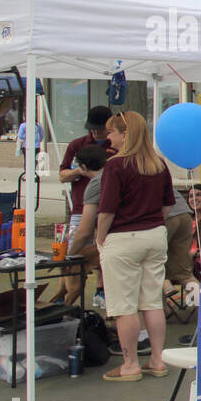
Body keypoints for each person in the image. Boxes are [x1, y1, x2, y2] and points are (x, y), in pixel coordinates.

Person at [95, 112, 176, 381]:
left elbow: (106, 209)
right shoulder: (158, 164)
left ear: (125, 134)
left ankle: (130, 364)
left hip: (123, 237)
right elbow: (167, 205)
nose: (109, 137)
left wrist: (100, 237)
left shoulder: (115, 166)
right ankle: (157, 359)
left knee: (124, 306)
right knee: (152, 301)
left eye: (112, 132)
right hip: (154, 233)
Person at [50, 106, 116, 302]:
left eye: (100, 128)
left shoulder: (116, 147)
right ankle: (65, 294)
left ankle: (101, 290)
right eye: (91, 128)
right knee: (74, 252)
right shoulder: (77, 145)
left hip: (108, 208)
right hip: (81, 206)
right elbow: (62, 175)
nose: (95, 132)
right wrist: (79, 171)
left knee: (105, 251)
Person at [60, 144, 108, 306]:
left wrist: (68, 257)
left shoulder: (94, 185)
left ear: (83, 167)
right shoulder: (114, 176)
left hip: (112, 243)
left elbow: (84, 231)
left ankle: (63, 307)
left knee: (73, 283)